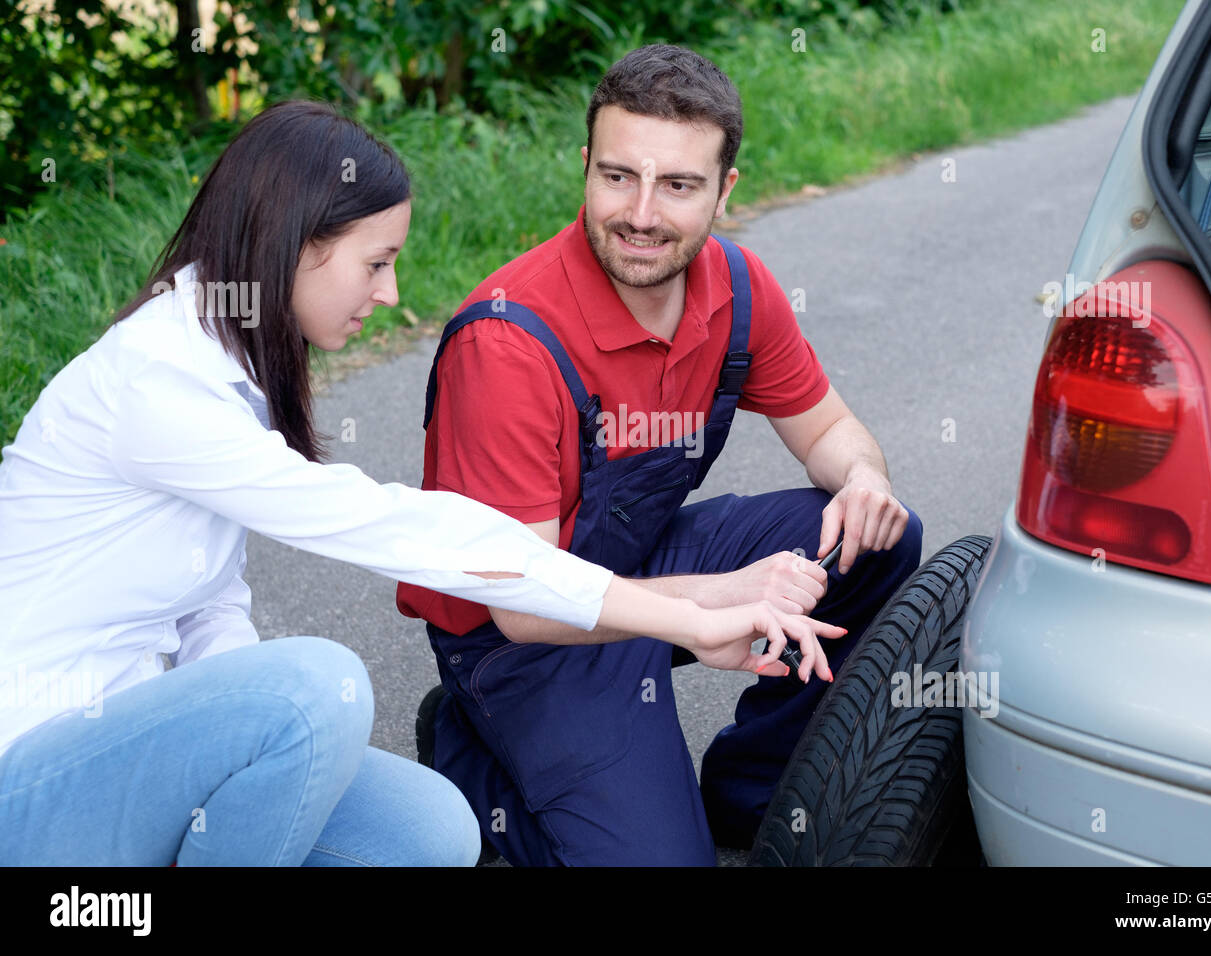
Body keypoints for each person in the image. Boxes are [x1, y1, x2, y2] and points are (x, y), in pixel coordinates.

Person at [0, 100, 844, 867]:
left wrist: (242, 738)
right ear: (295, 243)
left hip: (140, 741)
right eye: (376, 263)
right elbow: (409, 533)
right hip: (32, 772)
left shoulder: (228, 364)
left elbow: (210, 605)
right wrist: (692, 619)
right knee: (317, 687)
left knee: (432, 833)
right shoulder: (158, 387)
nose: (390, 291)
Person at [397, 44, 925, 866]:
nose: (641, 213)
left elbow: (829, 434)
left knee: (878, 536)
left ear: (724, 191)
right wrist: (721, 598)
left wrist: (865, 478)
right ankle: (471, 754)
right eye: (618, 176)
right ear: (585, 167)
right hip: (521, 638)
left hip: (635, 564)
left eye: (677, 185)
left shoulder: (737, 287)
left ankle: (751, 791)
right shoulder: (507, 343)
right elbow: (529, 605)